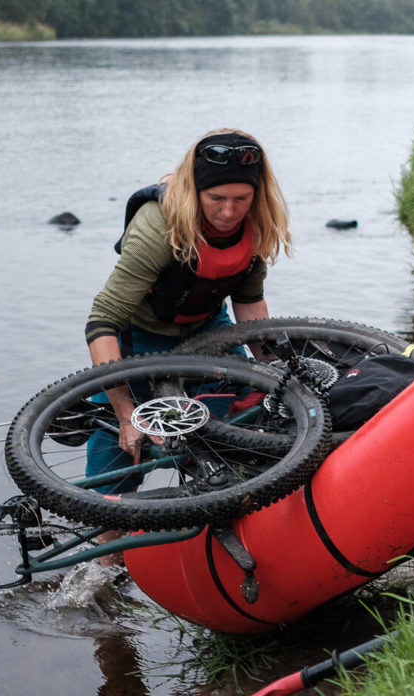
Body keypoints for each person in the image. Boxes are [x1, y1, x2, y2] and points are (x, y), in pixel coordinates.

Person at [84, 128, 293, 494]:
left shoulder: (256, 221)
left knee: (242, 430)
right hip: (139, 338)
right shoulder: (158, 225)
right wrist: (125, 413)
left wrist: (275, 370)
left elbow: (248, 300)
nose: (229, 211)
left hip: (211, 330)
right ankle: (110, 548)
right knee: (117, 465)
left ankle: (225, 520)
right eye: (216, 198)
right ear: (194, 192)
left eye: (241, 198)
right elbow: (102, 320)